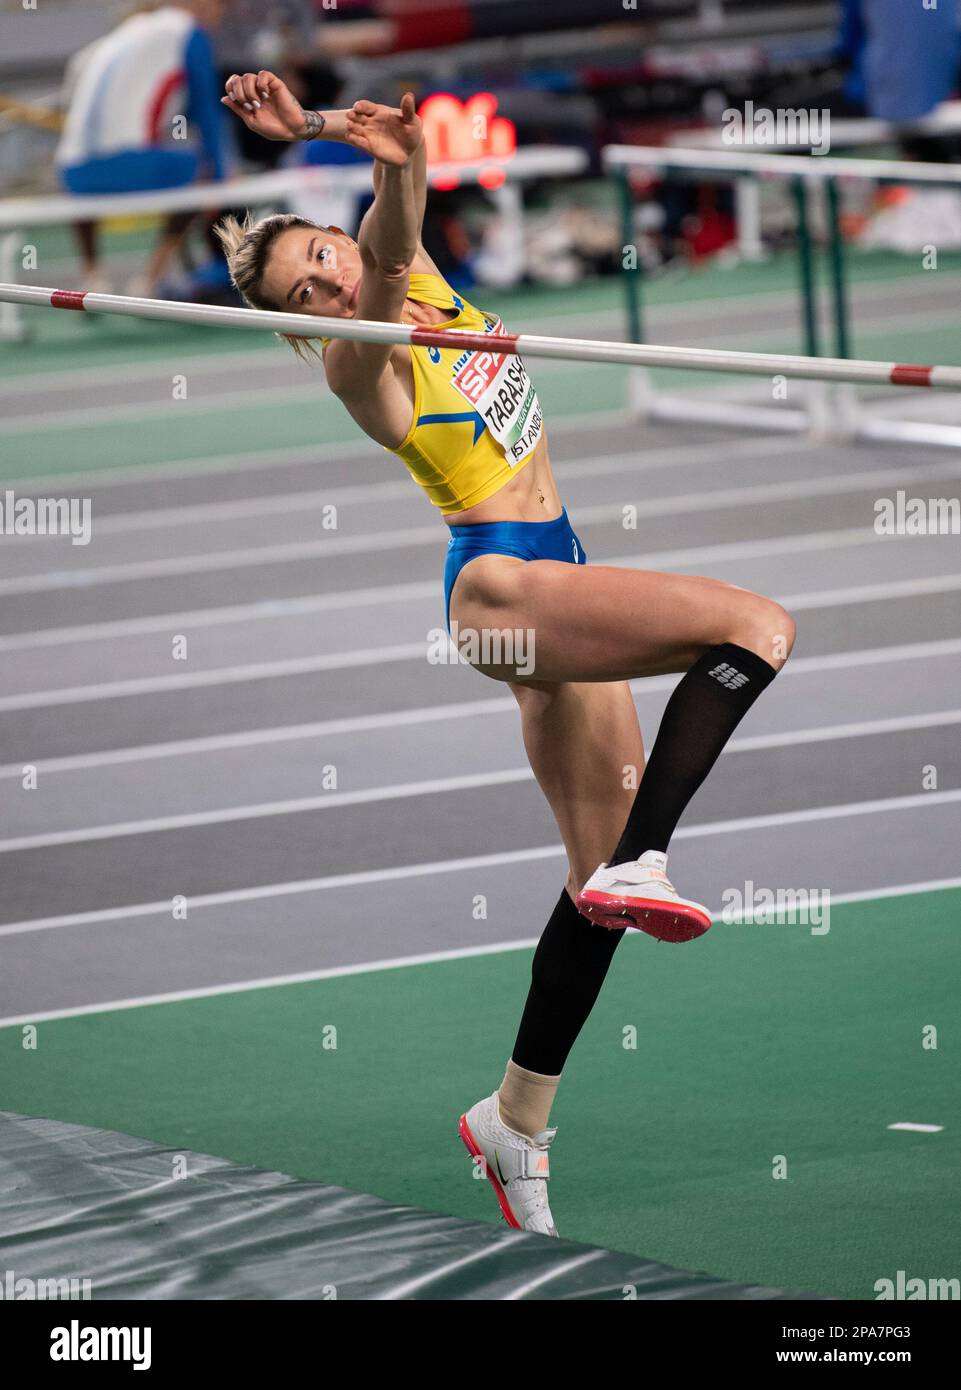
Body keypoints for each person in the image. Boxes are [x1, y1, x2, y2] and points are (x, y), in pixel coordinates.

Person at [216, 73, 796, 1238]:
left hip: (559, 562)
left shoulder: (412, 268)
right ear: (300, 325)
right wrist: (369, 255)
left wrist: (332, 132)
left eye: (322, 252)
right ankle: (651, 860)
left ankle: (513, 1122)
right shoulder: (358, 364)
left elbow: (405, 167)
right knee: (755, 626)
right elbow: (378, 283)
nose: (328, 275)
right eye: (304, 290)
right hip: (493, 585)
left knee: (593, 897)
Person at [56, 0, 228, 296]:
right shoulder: (188, 34)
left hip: (71, 173)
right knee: (200, 172)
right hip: (127, 164)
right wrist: (224, 177)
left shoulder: (118, 36)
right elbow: (207, 112)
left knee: (82, 157)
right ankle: (149, 280)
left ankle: (92, 275)